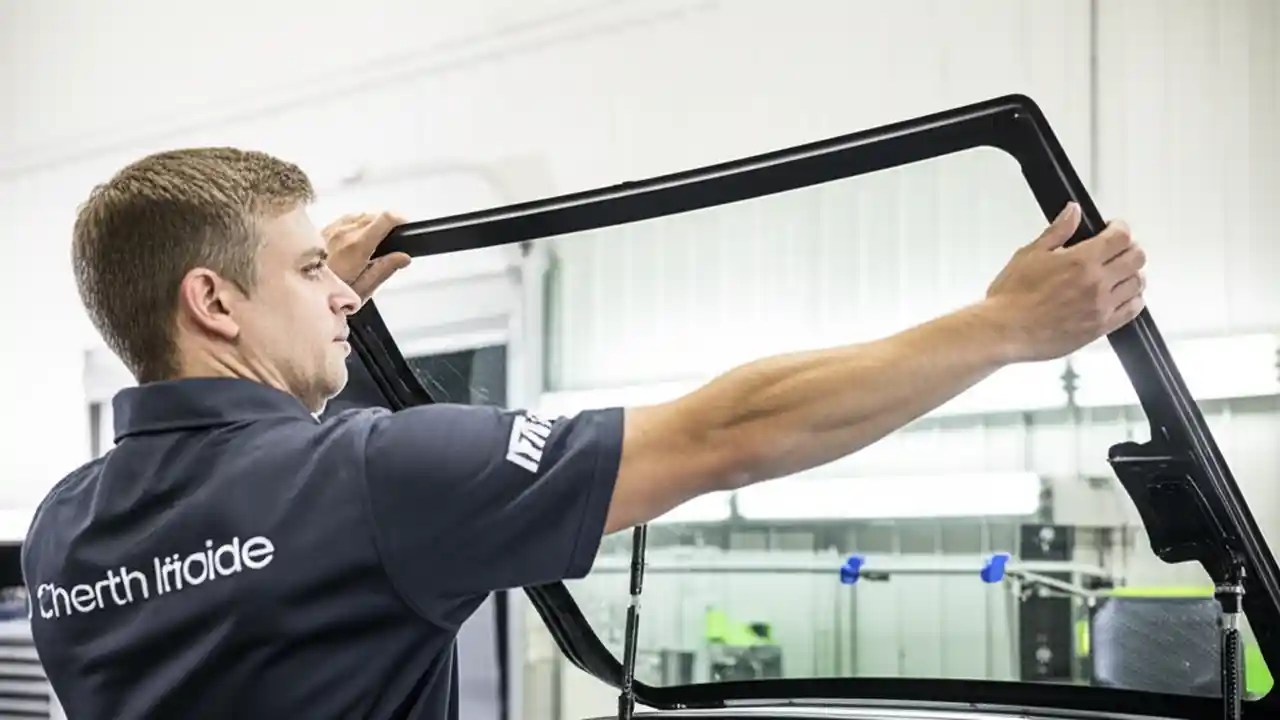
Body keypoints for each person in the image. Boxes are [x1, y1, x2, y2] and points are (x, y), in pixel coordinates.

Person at [21, 147, 1145, 719]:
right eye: (311, 269)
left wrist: (312, 307)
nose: (341, 292)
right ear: (214, 303)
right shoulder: (376, 476)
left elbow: (257, 537)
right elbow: (734, 430)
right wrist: (1002, 327)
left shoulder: (63, 532)